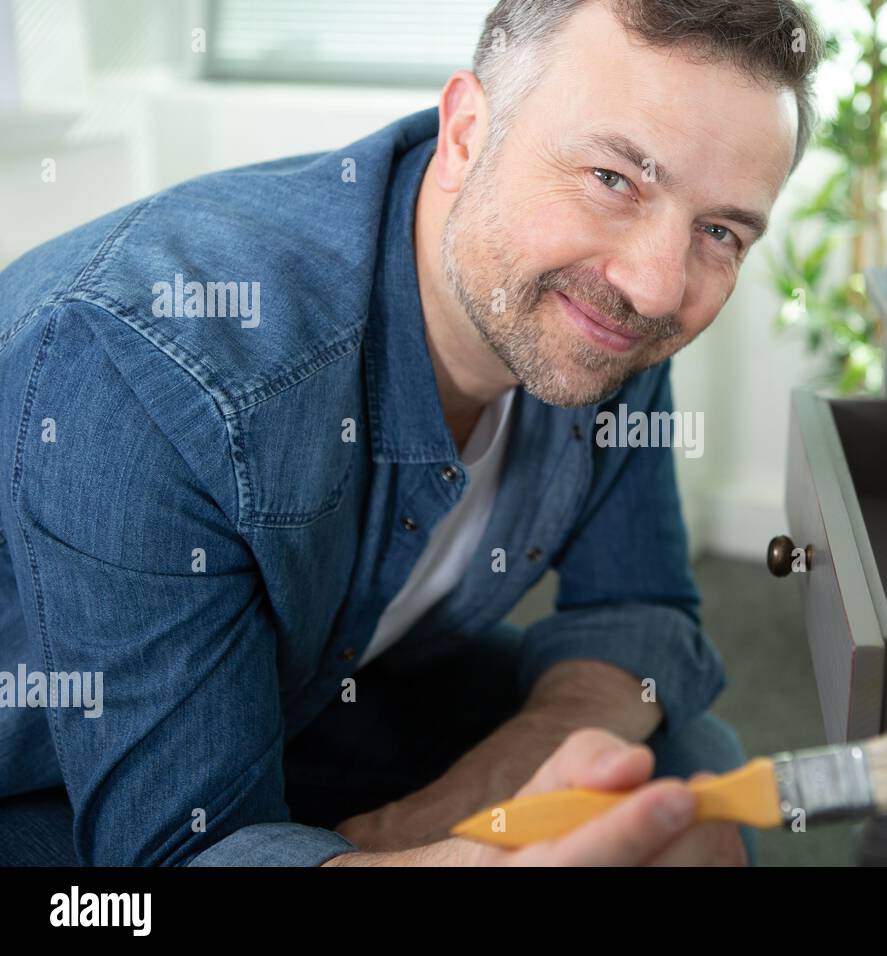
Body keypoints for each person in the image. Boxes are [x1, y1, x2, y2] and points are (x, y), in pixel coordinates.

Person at [0, 0, 824, 866]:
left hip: (306, 692)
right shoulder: (157, 365)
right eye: (613, 179)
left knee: (680, 768)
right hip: (46, 774)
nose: (658, 286)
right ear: (467, 132)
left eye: (720, 231)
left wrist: (456, 812)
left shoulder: (602, 318)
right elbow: (173, 850)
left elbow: (637, 609)